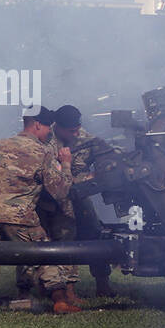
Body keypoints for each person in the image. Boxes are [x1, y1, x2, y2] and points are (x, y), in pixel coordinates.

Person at [0, 106, 78, 314]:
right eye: (48, 127)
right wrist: (66, 164)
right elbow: (60, 191)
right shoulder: (42, 152)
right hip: (20, 218)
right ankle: (60, 302)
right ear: (37, 124)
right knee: (44, 257)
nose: (49, 132)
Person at [44, 104, 117, 305]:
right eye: (71, 130)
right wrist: (85, 177)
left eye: (77, 128)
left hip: (80, 198)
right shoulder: (45, 142)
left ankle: (103, 284)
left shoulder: (83, 137)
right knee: (65, 239)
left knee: (95, 234)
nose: (76, 133)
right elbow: (55, 179)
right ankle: (67, 289)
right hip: (55, 201)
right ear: (57, 127)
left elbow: (106, 153)